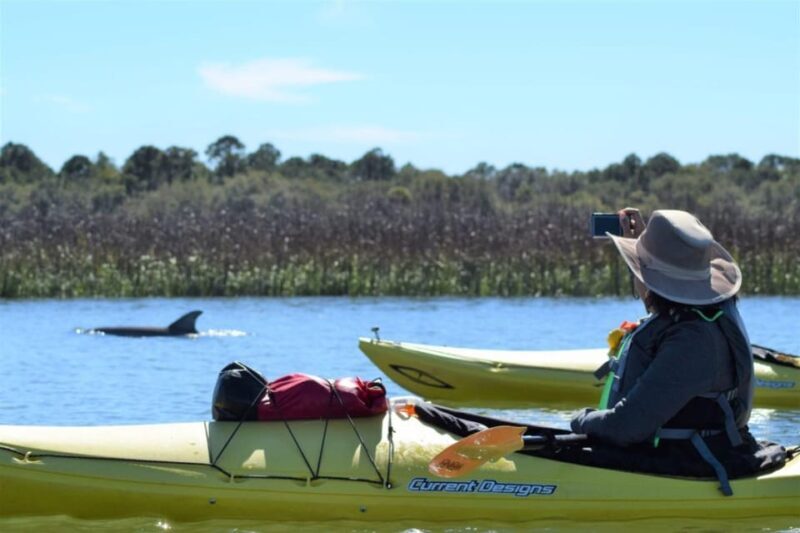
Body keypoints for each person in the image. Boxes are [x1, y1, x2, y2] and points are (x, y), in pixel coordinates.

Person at [566, 208, 785, 495]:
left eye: (640, 269)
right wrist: (646, 246)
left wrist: (579, 419)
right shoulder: (701, 316)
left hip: (692, 462)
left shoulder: (692, 341)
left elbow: (626, 426)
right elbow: (661, 302)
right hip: (695, 449)